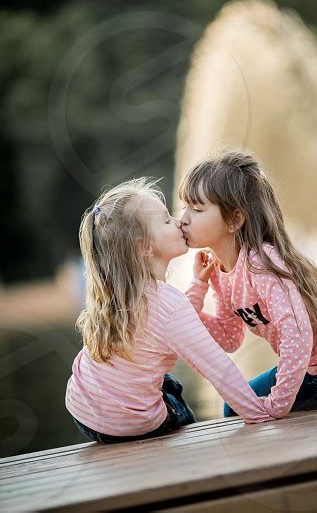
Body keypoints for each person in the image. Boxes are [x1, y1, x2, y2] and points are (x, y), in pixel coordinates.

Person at [65, 177, 273, 445]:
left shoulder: (114, 295)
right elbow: (218, 370)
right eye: (166, 220)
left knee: (157, 380)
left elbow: (170, 321)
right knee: (172, 389)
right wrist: (259, 416)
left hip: (83, 413)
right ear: (145, 247)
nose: (179, 222)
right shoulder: (168, 303)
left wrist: (198, 285)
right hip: (131, 424)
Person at [180, 150, 317, 420]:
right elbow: (229, 338)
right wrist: (197, 288)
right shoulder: (220, 271)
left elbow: (298, 335)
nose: (183, 218)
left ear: (234, 220)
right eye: (184, 207)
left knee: (241, 408)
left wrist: (278, 404)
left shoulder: (263, 266)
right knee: (236, 405)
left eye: (197, 210)